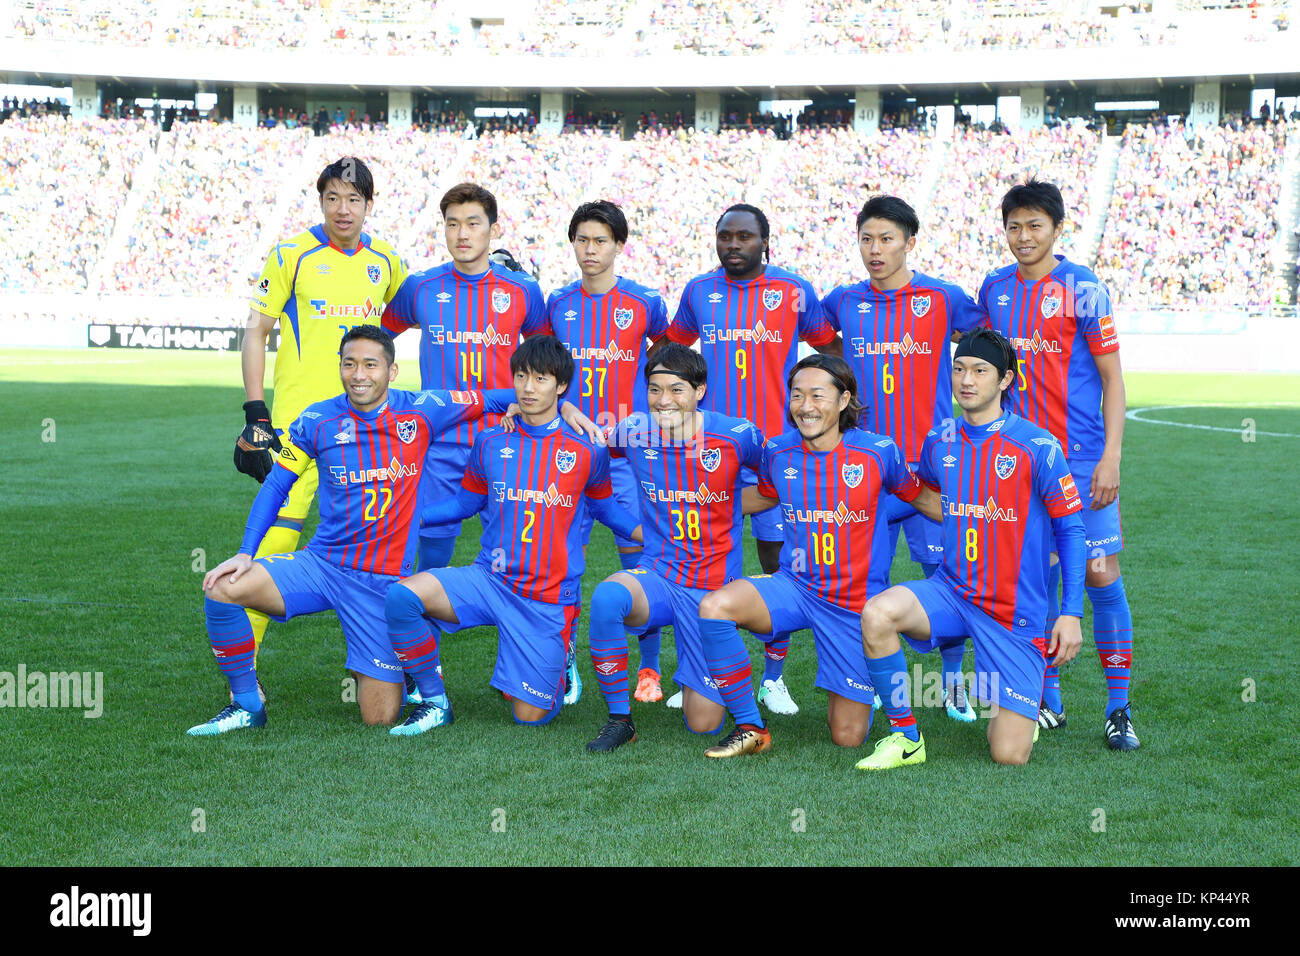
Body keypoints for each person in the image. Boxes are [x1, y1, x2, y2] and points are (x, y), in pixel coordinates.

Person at [188, 327, 523, 736]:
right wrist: (245, 551)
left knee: (378, 717)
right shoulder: (316, 419)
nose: (358, 374)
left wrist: (552, 409)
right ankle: (246, 704)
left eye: (370, 364)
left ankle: (408, 669)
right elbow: (278, 483)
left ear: (392, 370)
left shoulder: (423, 409)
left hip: (381, 585)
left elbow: (495, 397)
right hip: (322, 566)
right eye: (349, 364)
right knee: (222, 587)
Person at [855, 329, 1086, 769]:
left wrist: (1071, 612)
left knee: (1008, 755)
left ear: (1005, 381)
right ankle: (906, 739)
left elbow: (1071, 531)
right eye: (959, 369)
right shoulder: (940, 441)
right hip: (952, 592)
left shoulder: (1037, 446)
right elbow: (924, 494)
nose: (966, 380)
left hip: (1013, 612)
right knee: (877, 614)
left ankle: (1016, 702)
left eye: (980, 371)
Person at [386, 337, 641, 734]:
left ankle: (558, 652)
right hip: (489, 579)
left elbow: (605, 508)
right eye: (521, 376)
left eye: (541, 378)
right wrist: (408, 517)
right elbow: (463, 505)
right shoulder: (490, 439)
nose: (527, 387)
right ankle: (434, 701)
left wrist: (645, 532)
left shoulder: (588, 449)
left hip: (546, 598)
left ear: (561, 386)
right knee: (403, 597)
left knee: (529, 717)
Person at [696, 354, 938, 758]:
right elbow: (764, 496)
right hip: (795, 587)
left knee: (848, 736)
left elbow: (920, 497)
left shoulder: (878, 452)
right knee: (715, 605)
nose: (805, 406)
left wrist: (984, 514)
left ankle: (867, 689)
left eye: (817, 395)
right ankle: (752, 727)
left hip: (853, 604)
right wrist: (702, 500)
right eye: (797, 395)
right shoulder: (777, 451)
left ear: (844, 400)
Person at [656, 203, 843, 716]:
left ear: (765, 240)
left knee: (778, 562)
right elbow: (669, 352)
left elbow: (831, 351)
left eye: (744, 236)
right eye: (724, 236)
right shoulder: (699, 291)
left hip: (776, 452)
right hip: (707, 452)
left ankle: (773, 676)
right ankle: (701, 670)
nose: (733, 244)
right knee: (701, 561)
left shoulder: (794, 290)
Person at [235, 157, 407, 691]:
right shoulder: (293, 254)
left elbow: (415, 312)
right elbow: (256, 330)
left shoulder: (387, 262)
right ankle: (246, 666)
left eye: (353, 199)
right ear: (321, 201)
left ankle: (385, 660)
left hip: (365, 431)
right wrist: (255, 414)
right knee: (273, 539)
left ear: (369, 205)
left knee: (374, 547)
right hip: (298, 428)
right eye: (333, 197)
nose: (343, 209)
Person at [977, 178, 1138, 750]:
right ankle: (1049, 698)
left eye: (1034, 226)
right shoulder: (994, 290)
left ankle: (1119, 709)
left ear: (1057, 228)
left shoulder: (1084, 288)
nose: (1023, 237)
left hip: (1082, 455)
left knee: (1099, 575)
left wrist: (1111, 457)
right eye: (1014, 226)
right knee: (1034, 579)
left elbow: (1115, 381)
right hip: (1016, 462)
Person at [822, 195, 983, 722]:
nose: (875, 249)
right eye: (867, 238)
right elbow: (810, 345)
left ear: (910, 243)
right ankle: (868, 678)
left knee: (949, 572)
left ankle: (953, 681)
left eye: (887, 239)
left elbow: (989, 344)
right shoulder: (844, 301)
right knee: (864, 577)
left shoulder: (942, 298)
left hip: (933, 471)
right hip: (865, 476)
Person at [583, 344, 767, 753]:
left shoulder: (736, 435)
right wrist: (564, 410)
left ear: (700, 391)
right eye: (654, 389)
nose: (663, 400)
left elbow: (776, 480)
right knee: (608, 595)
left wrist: (732, 504)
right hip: (660, 574)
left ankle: (716, 677)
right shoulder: (634, 431)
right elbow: (586, 450)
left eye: (676, 389)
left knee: (703, 725)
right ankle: (619, 720)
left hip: (712, 588)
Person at [381, 182, 548, 574]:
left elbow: (545, 361)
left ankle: (519, 624)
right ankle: (420, 629)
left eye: (473, 223)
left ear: (492, 228)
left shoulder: (522, 290)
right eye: (452, 224)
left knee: (510, 552)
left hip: (506, 439)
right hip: (439, 442)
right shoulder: (420, 286)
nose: (462, 233)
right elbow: (377, 338)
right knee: (433, 546)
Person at [545, 200, 671, 705]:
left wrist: (648, 420)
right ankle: (563, 658)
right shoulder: (557, 304)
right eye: (582, 240)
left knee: (641, 557)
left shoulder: (645, 304)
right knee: (558, 560)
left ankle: (649, 667)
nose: (590, 250)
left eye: (601, 240)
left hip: (628, 459)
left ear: (619, 245)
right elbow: (542, 368)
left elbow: (671, 365)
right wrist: (565, 405)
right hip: (567, 459)